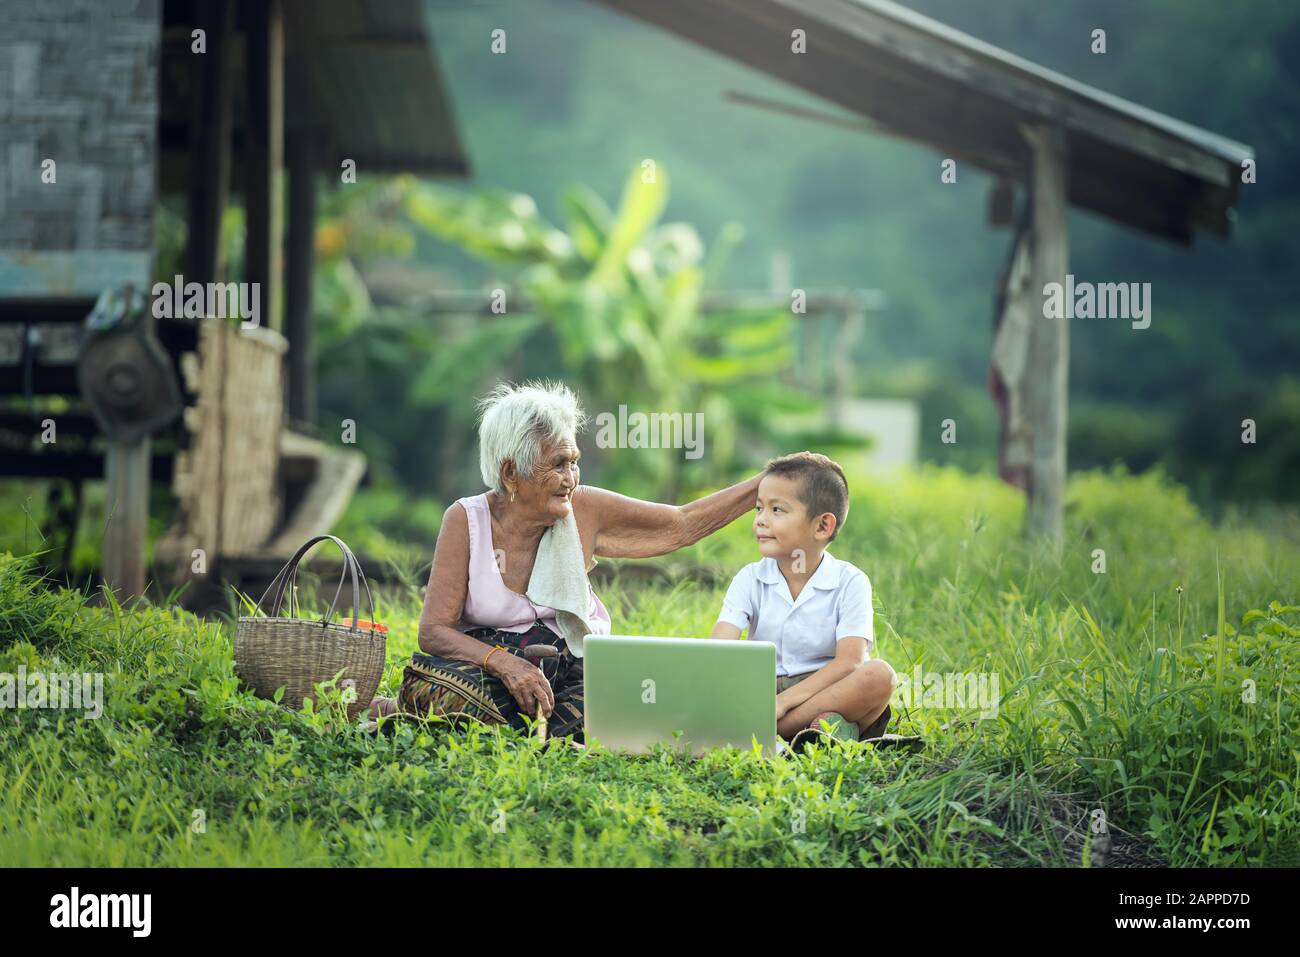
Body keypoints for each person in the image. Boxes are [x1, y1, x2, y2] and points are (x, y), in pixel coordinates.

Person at [368, 379, 763, 740]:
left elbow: (681, 524)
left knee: (628, 710)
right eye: (558, 464)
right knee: (444, 695)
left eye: (573, 461)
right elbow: (434, 631)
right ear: (511, 473)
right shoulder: (465, 519)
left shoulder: (582, 508)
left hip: (572, 667)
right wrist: (504, 664)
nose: (571, 477)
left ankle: (525, 725)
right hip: (490, 671)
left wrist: (764, 483)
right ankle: (438, 713)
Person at [710, 451, 897, 743]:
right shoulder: (749, 578)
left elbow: (849, 662)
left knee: (879, 676)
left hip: (824, 688)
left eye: (777, 510)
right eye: (759, 508)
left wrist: (782, 704)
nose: (761, 520)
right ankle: (823, 729)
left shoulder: (850, 582)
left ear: (822, 526)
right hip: (762, 689)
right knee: (711, 682)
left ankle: (762, 730)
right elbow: (720, 650)